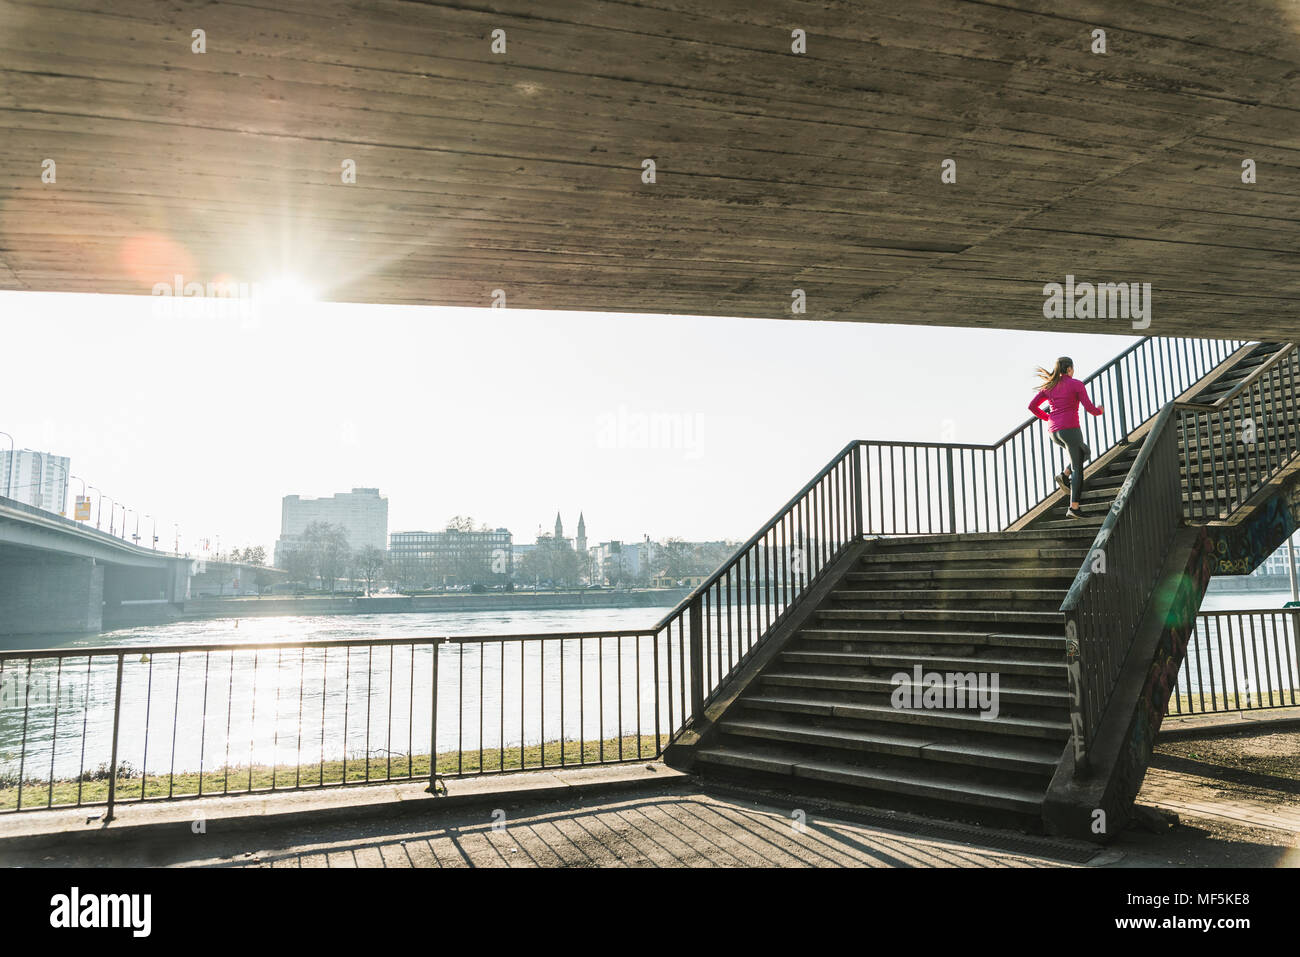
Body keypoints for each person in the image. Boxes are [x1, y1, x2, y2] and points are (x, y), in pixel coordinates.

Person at [1029, 357, 1104, 519]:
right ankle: (1074, 507)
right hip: (1070, 429)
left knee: (1085, 452)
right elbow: (1089, 408)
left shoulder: (1050, 386)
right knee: (1078, 467)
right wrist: (1099, 411)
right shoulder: (1076, 384)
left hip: (1054, 432)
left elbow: (1032, 406)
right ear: (1070, 369)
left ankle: (1064, 475)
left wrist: (1048, 418)